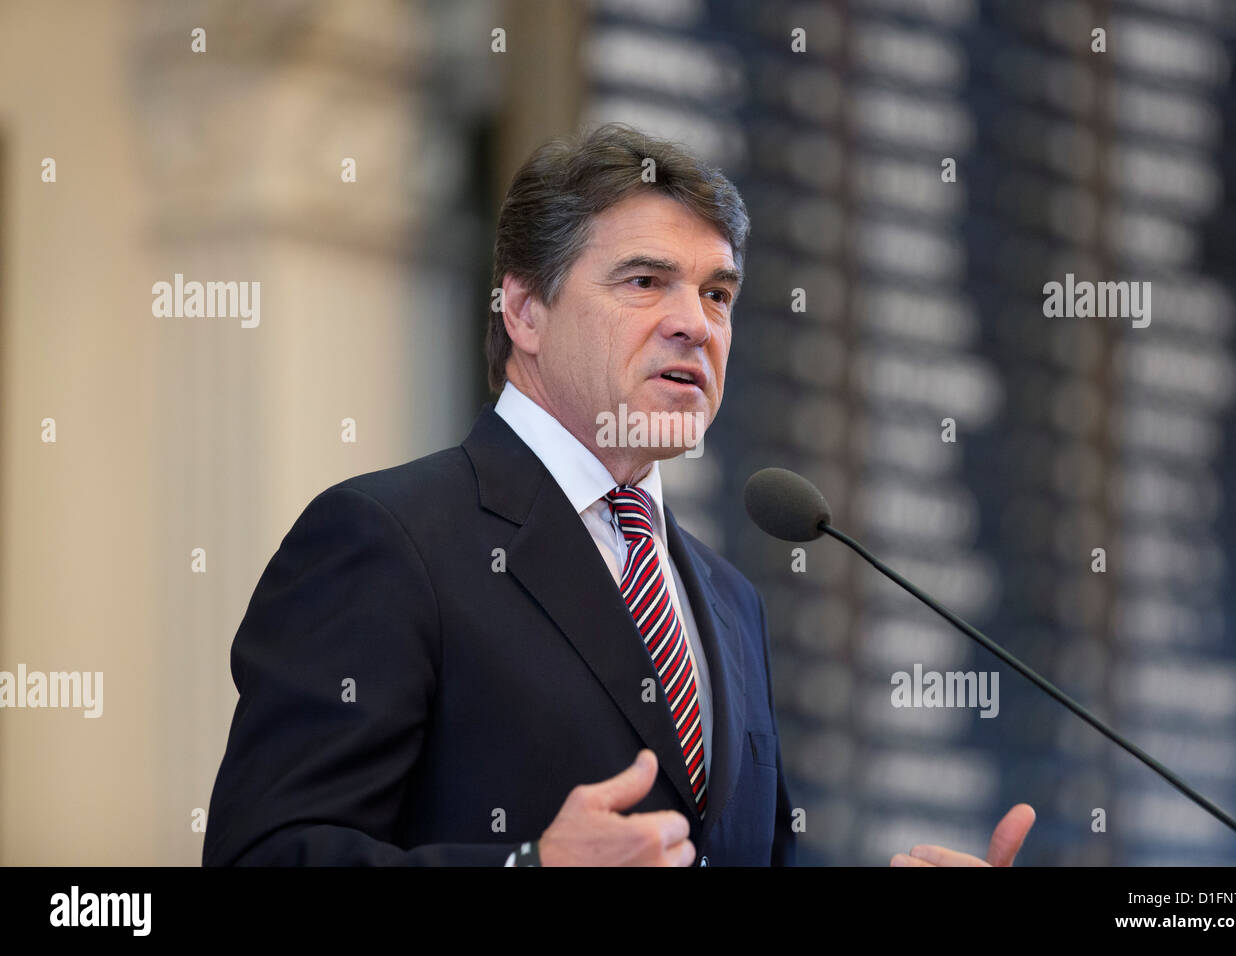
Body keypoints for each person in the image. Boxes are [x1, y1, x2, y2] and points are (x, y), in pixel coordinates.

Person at [203, 121, 1032, 867]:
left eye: (718, 293)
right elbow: (263, 858)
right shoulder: (386, 540)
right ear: (525, 311)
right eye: (644, 282)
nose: (696, 325)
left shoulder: (728, 599)